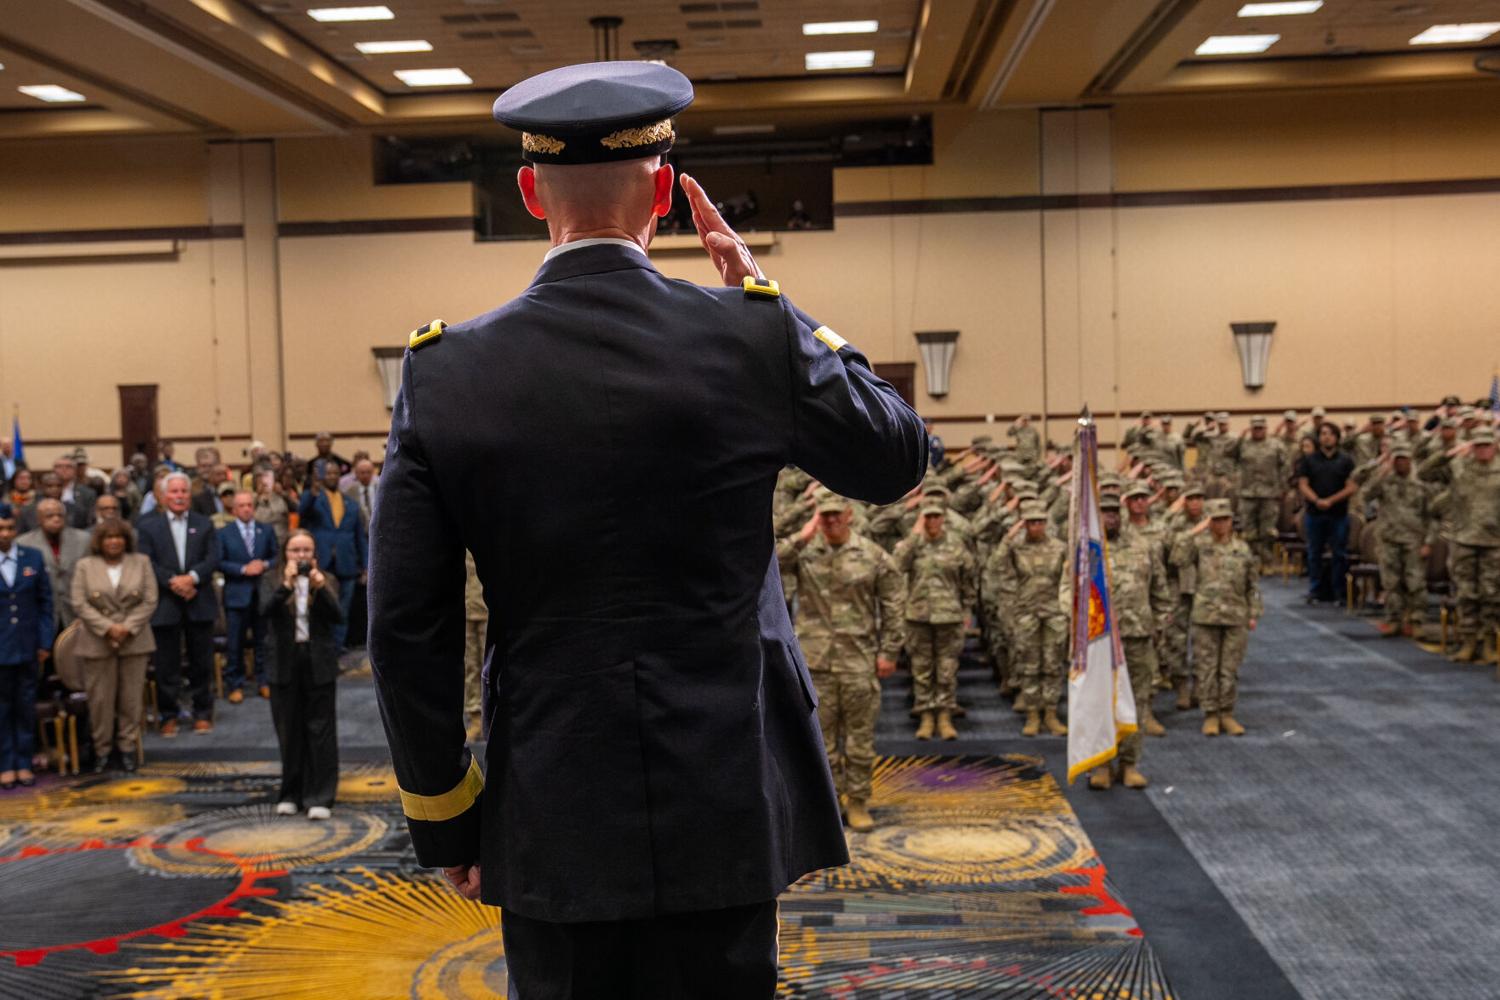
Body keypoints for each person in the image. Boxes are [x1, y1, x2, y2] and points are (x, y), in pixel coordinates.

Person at [367, 61, 926, 998]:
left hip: (551, 799)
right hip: (727, 791)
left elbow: (404, 632)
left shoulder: (444, 373)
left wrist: (449, 820)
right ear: (665, 190)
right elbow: (896, 456)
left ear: (528, 191)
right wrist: (770, 303)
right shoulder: (748, 338)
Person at [778, 490, 906, 832]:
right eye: (825, 514)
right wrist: (802, 535)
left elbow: (894, 605)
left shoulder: (872, 555)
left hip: (858, 661)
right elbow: (768, 563)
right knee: (821, 739)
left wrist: (889, 651)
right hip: (816, 661)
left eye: (837, 514)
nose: (831, 520)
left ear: (849, 514)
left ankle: (859, 801)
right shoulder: (806, 553)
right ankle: (830, 801)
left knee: (860, 737)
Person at [1077, 494, 1170, 789]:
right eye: (1104, 513)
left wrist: (1159, 624)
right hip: (1099, 640)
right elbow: (1068, 591)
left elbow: (1161, 591)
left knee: (1137, 701)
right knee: (1100, 701)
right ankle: (1102, 764)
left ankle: (1130, 763)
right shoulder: (1086, 552)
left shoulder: (1144, 547)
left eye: (1114, 513)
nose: (1110, 518)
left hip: (1137, 635)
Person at [262, 529, 342, 821]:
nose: (301, 556)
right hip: (283, 663)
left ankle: (320, 795)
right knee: (289, 730)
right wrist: (286, 585)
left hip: (317, 662)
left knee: (321, 731)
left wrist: (321, 589)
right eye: (295, 550)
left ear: (314, 554)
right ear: (286, 553)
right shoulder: (271, 579)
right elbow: (265, 611)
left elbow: (338, 617)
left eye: (306, 550)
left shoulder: (327, 579)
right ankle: (291, 793)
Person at [136, 471, 221, 736]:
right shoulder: (148, 526)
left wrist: (192, 579)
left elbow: (213, 557)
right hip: (165, 602)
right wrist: (174, 582)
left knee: (201, 662)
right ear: (163, 496)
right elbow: (147, 562)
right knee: (166, 664)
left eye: (183, 491)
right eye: (174, 492)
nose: (179, 496)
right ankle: (168, 714)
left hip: (199, 599)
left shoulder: (204, 523)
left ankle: (202, 712)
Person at [69, 518, 157, 772]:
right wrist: (108, 628)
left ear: (126, 540)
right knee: (100, 701)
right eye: (108, 537)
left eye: (118, 536)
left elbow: (150, 600)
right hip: (97, 641)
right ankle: (102, 750)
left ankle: (127, 747)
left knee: (131, 699)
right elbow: (79, 602)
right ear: (100, 541)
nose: (114, 541)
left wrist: (126, 628)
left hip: (135, 640)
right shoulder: (85, 565)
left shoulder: (141, 562)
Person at [1171, 498, 1261, 736]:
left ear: (1232, 521)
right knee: (1206, 667)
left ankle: (1227, 713)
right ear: (1208, 521)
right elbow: (1176, 558)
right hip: (1205, 615)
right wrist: (1194, 531)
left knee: (1229, 668)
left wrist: (1253, 613)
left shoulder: (1242, 549)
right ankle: (1210, 714)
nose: (1221, 524)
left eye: (1225, 519)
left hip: (1235, 615)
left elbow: (1253, 585)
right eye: (1216, 519)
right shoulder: (1199, 546)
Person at [894, 494, 976, 741]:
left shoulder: (956, 546)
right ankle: (926, 715)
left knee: (947, 668)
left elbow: (969, 581)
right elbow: (896, 566)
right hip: (917, 616)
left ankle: (944, 714)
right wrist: (915, 534)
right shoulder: (912, 544)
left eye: (936, 516)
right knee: (921, 668)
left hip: (949, 616)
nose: (932, 521)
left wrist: (966, 611)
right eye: (927, 516)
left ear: (944, 518)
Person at [989, 501, 1069, 737]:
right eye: (1031, 523)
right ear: (1024, 525)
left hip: (1054, 612)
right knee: (1030, 665)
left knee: (1053, 664)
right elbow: (996, 564)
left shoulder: (1059, 547)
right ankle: (1033, 714)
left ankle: (1051, 713)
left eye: (1040, 522)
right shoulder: (1017, 548)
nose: (1036, 527)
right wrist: (1010, 536)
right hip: (1026, 612)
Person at [1421, 428, 1500, 663]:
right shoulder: (1459, 467)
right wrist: (1449, 453)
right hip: (1464, 539)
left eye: (1487, 445)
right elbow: (1425, 472)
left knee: (1492, 595)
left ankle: (1488, 643)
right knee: (1466, 594)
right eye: (1479, 445)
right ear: (1472, 446)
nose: (1483, 450)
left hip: (1494, 542)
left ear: (1495, 446)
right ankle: (1467, 642)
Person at [1357, 445, 1435, 637]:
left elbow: (1432, 517)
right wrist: (1380, 472)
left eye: (1404, 459)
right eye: (1397, 459)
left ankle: (1416, 620)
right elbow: (1364, 495)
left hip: (1413, 541)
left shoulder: (1421, 485)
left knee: (1415, 583)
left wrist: (1429, 542)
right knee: (1391, 583)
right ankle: (1393, 619)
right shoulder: (1385, 482)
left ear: (1411, 460)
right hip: (1388, 540)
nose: (1401, 463)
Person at [0, 503, 53, 789]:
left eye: (9, 528)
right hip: (1, 648)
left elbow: (46, 603)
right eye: (0, 529)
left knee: (25, 706)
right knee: (2, 708)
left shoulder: (31, 557)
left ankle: (24, 761)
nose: (5, 534)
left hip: (28, 646)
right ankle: (5, 763)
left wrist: (45, 641)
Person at [297, 462, 366, 651]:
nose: (332, 476)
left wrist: (367, 566)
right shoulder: (313, 498)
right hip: (322, 561)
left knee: (343, 607)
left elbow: (360, 537)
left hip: (347, 562)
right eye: (328, 473)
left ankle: (338, 646)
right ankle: (324, 646)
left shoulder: (350, 503)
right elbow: (301, 512)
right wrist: (312, 490)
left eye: (336, 473)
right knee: (322, 605)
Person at [219, 491, 278, 702]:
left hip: (262, 594)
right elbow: (219, 562)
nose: (246, 509)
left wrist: (264, 564)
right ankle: (236, 684)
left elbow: (276, 556)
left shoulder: (266, 530)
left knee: (264, 641)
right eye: (241, 505)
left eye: (249, 505)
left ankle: (264, 681)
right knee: (235, 643)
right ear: (234, 509)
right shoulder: (224, 533)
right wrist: (243, 569)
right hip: (237, 594)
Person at [1295, 422, 1357, 604]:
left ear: (1337, 437)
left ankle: (1339, 592)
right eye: (1322, 434)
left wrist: (1331, 500)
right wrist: (1316, 500)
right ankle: (1315, 590)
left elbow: (1352, 486)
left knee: (1339, 553)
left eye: (1330, 434)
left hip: (1338, 513)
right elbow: (1303, 484)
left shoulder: (1346, 461)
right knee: (1314, 553)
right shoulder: (1309, 460)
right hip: (1314, 513)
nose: (1326, 437)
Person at [18, 498, 90, 629]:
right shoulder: (24, 543)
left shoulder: (84, 540)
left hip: (76, 613)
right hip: (41, 615)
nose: (56, 519)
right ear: (39, 519)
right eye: (49, 516)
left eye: (60, 515)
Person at [463, 550, 487, 743]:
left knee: (495, 666)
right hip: (464, 607)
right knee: (470, 667)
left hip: (489, 607)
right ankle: (475, 717)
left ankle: (495, 716)